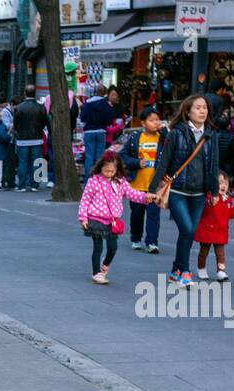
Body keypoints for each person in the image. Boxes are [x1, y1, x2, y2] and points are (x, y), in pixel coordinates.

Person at [150, 93, 217, 287]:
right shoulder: (176, 133)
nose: (202, 111)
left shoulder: (211, 135)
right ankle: (185, 271)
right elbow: (164, 163)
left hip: (199, 193)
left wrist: (212, 191)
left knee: (188, 233)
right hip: (178, 191)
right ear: (187, 111)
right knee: (187, 229)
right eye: (197, 107)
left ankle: (175, 271)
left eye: (204, 107)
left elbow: (213, 166)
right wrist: (153, 189)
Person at [78, 153, 152, 284]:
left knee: (113, 247)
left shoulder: (120, 182)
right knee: (98, 247)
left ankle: (105, 265)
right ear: (100, 167)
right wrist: (83, 217)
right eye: (106, 170)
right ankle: (96, 273)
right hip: (95, 218)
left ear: (117, 170)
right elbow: (85, 200)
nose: (109, 173)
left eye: (112, 171)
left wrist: (144, 197)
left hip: (112, 221)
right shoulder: (93, 181)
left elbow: (131, 193)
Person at [119, 106, 165, 253]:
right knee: (137, 214)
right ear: (143, 123)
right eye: (152, 120)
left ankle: (152, 242)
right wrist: (136, 163)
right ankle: (136, 238)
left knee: (154, 215)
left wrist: (165, 132)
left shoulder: (163, 138)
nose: (156, 123)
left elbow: (171, 153)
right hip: (136, 185)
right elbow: (123, 155)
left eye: (158, 119)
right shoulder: (135, 137)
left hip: (155, 186)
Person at [194, 170, 234, 281]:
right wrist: (209, 203)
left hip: (220, 231)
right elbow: (203, 211)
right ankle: (201, 268)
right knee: (204, 251)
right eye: (220, 182)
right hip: (207, 229)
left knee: (220, 254)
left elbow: (230, 213)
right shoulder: (209, 197)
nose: (223, 186)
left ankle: (221, 271)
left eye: (226, 184)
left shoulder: (227, 199)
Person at [12, 85, 48, 192]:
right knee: (37, 161)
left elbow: (15, 124)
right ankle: (35, 184)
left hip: (22, 139)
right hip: (37, 137)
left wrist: (19, 131)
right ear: (35, 93)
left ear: (25, 93)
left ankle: (22, 185)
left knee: (22, 162)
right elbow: (44, 122)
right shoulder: (41, 107)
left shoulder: (19, 108)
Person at [79, 83, 118, 174]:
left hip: (89, 131)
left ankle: (88, 180)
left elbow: (82, 118)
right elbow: (110, 119)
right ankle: (98, 178)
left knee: (89, 156)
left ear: (95, 92)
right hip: (101, 131)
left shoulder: (88, 103)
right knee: (99, 156)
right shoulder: (106, 104)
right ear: (104, 93)